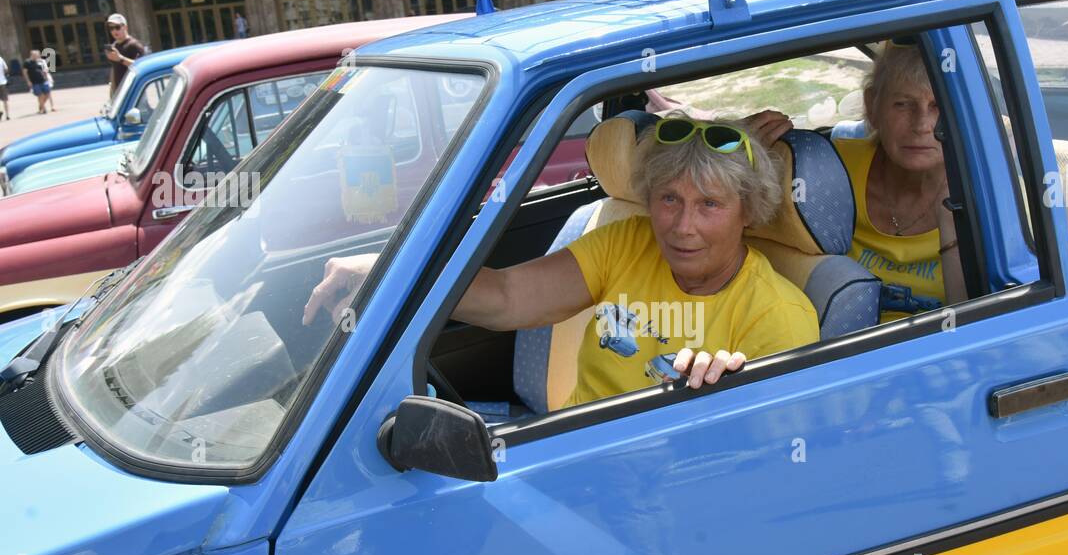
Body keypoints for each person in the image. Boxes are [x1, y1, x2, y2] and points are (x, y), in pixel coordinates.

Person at [304, 114, 820, 405]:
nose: (682, 226)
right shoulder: (627, 241)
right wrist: (389, 271)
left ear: (748, 211)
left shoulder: (778, 317)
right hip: (569, 453)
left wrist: (719, 393)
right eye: (669, 199)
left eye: (709, 205)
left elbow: (768, 462)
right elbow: (506, 298)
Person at [746, 40, 967, 322]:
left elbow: (974, 321)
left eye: (937, 106)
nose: (922, 124)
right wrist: (739, 156)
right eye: (903, 104)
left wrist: (952, 226)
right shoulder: (825, 169)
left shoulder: (984, 192)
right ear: (872, 107)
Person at [105, 13, 147, 98]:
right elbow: (114, 69)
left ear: (125, 27)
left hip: (134, 93)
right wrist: (112, 93)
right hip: (119, 94)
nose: (114, 31)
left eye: (117, 27)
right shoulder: (115, 46)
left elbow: (142, 67)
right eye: (111, 28)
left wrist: (120, 59)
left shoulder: (134, 45)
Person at [22, 50, 50, 115]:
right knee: (40, 95)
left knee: (47, 94)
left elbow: (43, 70)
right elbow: (24, 73)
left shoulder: (39, 61)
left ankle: (41, 106)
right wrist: (28, 81)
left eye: (38, 55)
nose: (38, 56)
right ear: (32, 55)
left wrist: (46, 76)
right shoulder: (27, 62)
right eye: (36, 55)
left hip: (43, 80)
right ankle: (43, 109)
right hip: (34, 81)